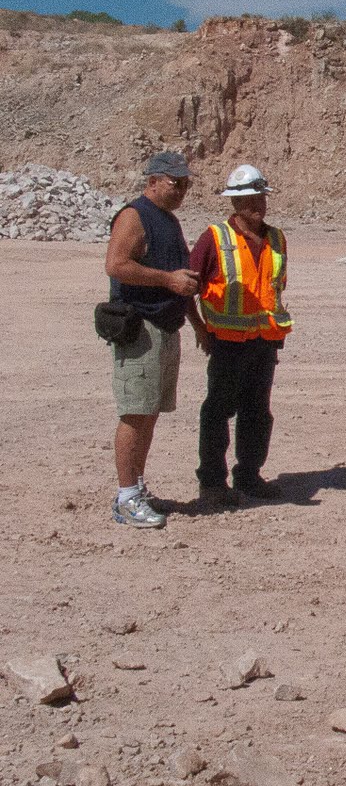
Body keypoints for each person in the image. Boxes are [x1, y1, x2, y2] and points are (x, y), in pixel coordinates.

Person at [104, 150, 206, 529]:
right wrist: (166, 281)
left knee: (148, 414)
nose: (180, 191)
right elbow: (116, 264)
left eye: (185, 185)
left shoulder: (169, 221)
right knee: (134, 413)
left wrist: (195, 322)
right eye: (174, 183)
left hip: (166, 327)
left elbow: (182, 279)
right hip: (141, 328)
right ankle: (127, 496)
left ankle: (137, 487)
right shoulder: (134, 216)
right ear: (152, 182)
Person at [190, 165, 293, 505]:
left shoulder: (277, 239)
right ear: (233, 203)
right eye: (248, 199)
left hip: (263, 343)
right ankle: (213, 483)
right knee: (218, 411)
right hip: (227, 344)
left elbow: (274, 289)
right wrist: (200, 328)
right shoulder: (215, 238)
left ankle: (249, 476)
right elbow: (187, 285)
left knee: (257, 412)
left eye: (260, 198)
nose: (256, 205)